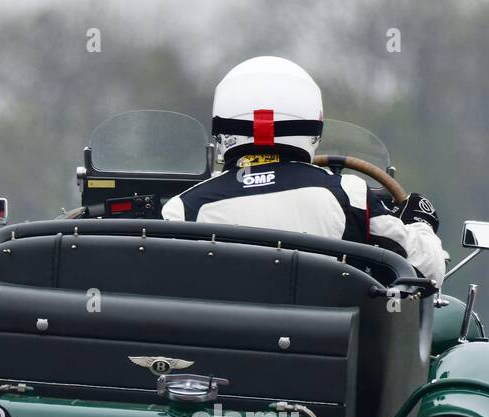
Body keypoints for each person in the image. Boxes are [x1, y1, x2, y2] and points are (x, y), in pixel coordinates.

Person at [162, 56, 446, 285]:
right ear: (314, 126)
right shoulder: (349, 196)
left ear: (221, 127)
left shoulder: (182, 210)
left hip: (217, 352)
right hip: (327, 352)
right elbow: (427, 269)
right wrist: (420, 223)